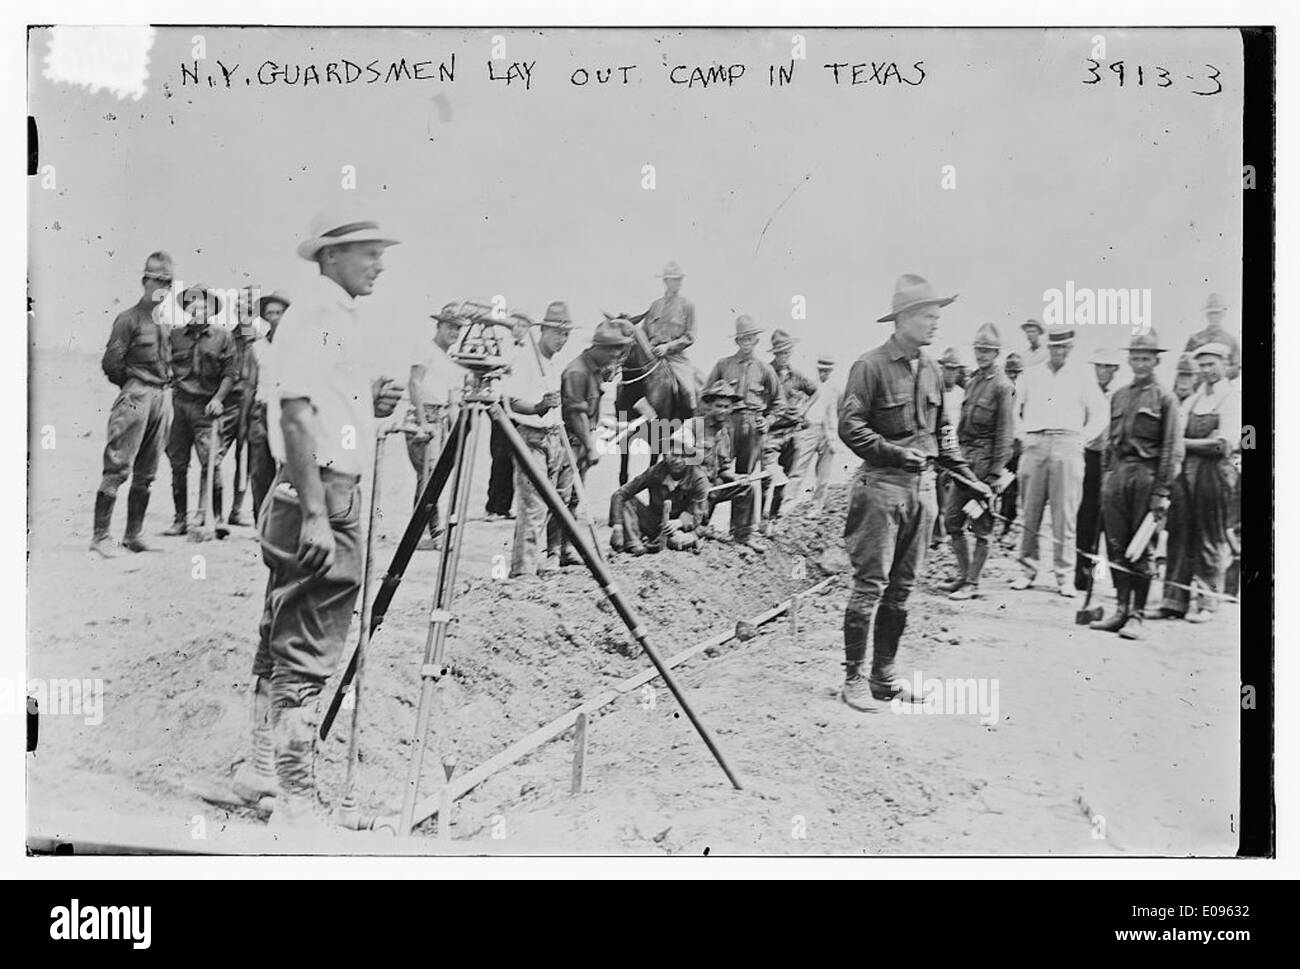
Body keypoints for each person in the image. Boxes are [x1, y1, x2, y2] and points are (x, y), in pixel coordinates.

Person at [238, 206, 403, 828]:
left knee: (281, 628)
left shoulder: (333, 317)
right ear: (330, 255)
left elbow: (327, 406)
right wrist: (314, 513)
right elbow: (295, 413)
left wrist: (375, 402)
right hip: (318, 496)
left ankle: (261, 770)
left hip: (318, 489)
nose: (379, 262)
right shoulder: (316, 314)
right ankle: (297, 801)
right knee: (307, 643)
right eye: (367, 251)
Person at [838, 274, 989, 711]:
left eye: (938, 316)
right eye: (928, 316)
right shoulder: (869, 366)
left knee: (902, 589)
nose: (935, 324)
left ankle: (884, 676)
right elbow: (851, 427)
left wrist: (967, 475)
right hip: (880, 490)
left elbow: (943, 434)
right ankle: (853, 679)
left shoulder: (934, 370)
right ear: (903, 319)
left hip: (922, 493)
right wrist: (894, 453)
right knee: (870, 586)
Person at [1088, 330, 1183, 640]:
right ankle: (1120, 610)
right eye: (1136, 358)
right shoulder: (1119, 396)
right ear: (1128, 360)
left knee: (1140, 549)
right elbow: (1108, 445)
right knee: (1115, 546)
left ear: (1156, 360)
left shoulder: (1166, 399)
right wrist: (1106, 481)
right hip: (1117, 477)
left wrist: (1161, 492)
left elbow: (1171, 449)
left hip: (1146, 477)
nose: (1140, 363)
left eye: (1146, 358)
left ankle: (1138, 615)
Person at [1011, 325, 1108, 596]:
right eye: (1054, 347)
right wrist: (1022, 435)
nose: (1059, 352)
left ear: (1071, 348)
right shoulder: (1030, 375)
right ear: (1048, 347)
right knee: (1029, 511)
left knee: (1064, 516)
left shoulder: (1082, 376)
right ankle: (1026, 570)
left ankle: (1063, 576)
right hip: (1035, 443)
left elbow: (1101, 413)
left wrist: (1082, 439)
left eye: (1064, 347)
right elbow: (1012, 409)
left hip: (1068, 444)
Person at [92, 251, 176, 557]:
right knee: (118, 466)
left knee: (148, 471)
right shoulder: (127, 319)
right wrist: (133, 387)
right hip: (137, 395)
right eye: (158, 280)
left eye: (168, 282)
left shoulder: (166, 322)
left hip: (160, 398)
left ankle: (133, 535)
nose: (163, 287)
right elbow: (111, 363)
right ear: (144, 281)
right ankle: (100, 536)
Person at [1157, 342, 1241, 622]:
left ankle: (1207, 603)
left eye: (1211, 364)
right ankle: (1173, 602)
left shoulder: (1233, 398)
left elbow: (1223, 445)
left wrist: (1185, 443)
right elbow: (1177, 432)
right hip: (1187, 473)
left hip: (1214, 474)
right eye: (1202, 365)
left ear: (1225, 364)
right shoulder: (1193, 399)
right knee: (1179, 534)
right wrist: (1191, 444)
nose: (1206, 370)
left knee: (1209, 536)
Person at [939, 324, 1015, 600]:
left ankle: (973, 583)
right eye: (979, 349)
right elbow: (960, 430)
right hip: (965, 462)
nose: (982, 354)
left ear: (996, 353)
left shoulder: (1003, 386)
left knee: (982, 527)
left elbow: (1005, 435)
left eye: (987, 351)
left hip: (984, 465)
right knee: (952, 521)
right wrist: (952, 463)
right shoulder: (972, 382)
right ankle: (963, 575)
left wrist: (994, 477)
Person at [505, 301, 575, 577]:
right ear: (543, 331)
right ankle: (523, 572)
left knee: (557, 501)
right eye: (558, 333)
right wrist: (537, 407)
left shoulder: (556, 362)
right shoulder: (524, 359)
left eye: (567, 334)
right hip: (531, 437)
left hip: (555, 437)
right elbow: (512, 402)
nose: (563, 339)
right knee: (533, 506)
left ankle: (544, 561)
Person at [703, 316, 785, 551]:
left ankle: (740, 533)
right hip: (727, 423)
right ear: (737, 340)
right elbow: (706, 394)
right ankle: (701, 523)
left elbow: (780, 402)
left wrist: (767, 421)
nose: (746, 342)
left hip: (752, 426)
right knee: (718, 471)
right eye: (742, 338)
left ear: (756, 340)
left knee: (746, 478)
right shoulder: (723, 364)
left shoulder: (765, 369)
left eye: (751, 338)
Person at [163, 283, 238, 534]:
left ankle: (216, 519)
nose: (198, 307)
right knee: (178, 463)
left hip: (207, 409)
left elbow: (230, 373)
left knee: (211, 463)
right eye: (193, 302)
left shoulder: (223, 337)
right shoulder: (174, 336)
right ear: (187, 307)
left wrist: (218, 399)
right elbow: (165, 367)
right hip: (180, 407)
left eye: (204, 303)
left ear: (211, 309)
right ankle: (180, 519)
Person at [404, 303, 468, 549]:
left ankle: (428, 533)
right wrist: (422, 423)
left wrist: (456, 433)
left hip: (440, 418)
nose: (454, 332)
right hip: (423, 416)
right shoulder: (425, 349)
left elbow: (452, 400)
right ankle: (427, 534)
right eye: (450, 327)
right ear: (439, 325)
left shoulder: (450, 360)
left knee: (433, 477)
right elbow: (415, 384)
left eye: (458, 329)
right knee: (428, 476)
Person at [1074, 346, 1122, 591]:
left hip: (1114, 461)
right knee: (1087, 518)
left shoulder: (1121, 394)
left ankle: (1116, 580)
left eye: (1107, 367)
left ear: (1115, 369)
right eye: (1099, 367)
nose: (1102, 372)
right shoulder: (1086, 391)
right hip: (1090, 458)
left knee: (1113, 522)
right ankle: (1085, 577)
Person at [609, 439, 709, 555]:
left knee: (676, 541)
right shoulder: (655, 472)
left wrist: (679, 523)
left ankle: (667, 544)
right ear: (665, 455)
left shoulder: (698, 479)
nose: (678, 461)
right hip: (655, 522)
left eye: (684, 456)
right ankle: (635, 545)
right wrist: (618, 527)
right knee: (628, 501)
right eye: (674, 455)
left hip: (680, 528)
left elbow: (696, 514)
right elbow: (620, 494)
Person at [763, 328, 819, 526]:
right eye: (780, 353)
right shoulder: (766, 372)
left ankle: (772, 518)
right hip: (771, 434)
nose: (784, 357)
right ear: (775, 354)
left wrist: (804, 409)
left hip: (792, 432)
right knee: (767, 476)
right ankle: (760, 519)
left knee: (785, 478)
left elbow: (815, 391)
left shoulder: (796, 375)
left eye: (787, 352)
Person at [246, 289, 290, 524]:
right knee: (261, 470)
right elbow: (249, 385)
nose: (274, 316)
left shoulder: (296, 346)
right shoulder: (257, 348)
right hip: (261, 412)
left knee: (287, 468)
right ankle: (260, 522)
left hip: (286, 412)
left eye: (279, 312)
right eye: (270, 313)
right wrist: (246, 420)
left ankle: (281, 523)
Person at [485, 315, 531, 520]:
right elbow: (493, 374)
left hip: (518, 407)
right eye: (518, 325)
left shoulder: (530, 352)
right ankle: (493, 507)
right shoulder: (501, 346)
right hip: (500, 405)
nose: (520, 329)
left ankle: (505, 506)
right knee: (499, 456)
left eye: (525, 326)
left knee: (514, 457)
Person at [782, 356, 842, 515]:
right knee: (798, 468)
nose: (823, 373)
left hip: (827, 432)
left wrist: (834, 438)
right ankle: (788, 503)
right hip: (809, 429)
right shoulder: (809, 385)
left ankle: (816, 506)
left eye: (826, 371)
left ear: (831, 371)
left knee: (823, 475)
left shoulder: (835, 389)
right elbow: (798, 406)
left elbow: (834, 413)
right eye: (821, 370)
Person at [224, 287, 261, 527]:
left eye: (248, 309)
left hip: (252, 406)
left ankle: (238, 510)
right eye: (239, 308)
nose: (243, 313)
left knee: (247, 459)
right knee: (213, 456)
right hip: (229, 405)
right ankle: (207, 512)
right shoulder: (227, 338)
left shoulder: (261, 342)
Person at [641, 260, 699, 411]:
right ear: (665, 281)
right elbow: (644, 331)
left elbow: (690, 336)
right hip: (652, 357)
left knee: (688, 392)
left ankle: (687, 421)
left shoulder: (687, 306)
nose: (678, 283)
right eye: (673, 279)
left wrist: (668, 347)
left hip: (676, 358)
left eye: (679, 279)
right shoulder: (655, 305)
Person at [932, 347, 966, 546]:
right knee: (937, 491)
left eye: (954, 369)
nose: (950, 373)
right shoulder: (935, 392)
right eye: (947, 368)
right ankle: (938, 534)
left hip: (955, 445)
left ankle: (950, 531)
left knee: (952, 490)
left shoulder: (962, 394)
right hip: (937, 446)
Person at [998, 352, 1025, 541]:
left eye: (1017, 372)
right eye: (1010, 372)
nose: (1013, 376)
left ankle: (1010, 523)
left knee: (1013, 489)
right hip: (1002, 445)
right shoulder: (1001, 390)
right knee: (1000, 484)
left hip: (1018, 447)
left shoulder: (1026, 392)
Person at [1185, 293, 1242, 384]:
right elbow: (1185, 364)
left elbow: (1236, 368)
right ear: (1207, 314)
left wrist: (1219, 373)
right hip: (1198, 386)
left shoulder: (1231, 341)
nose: (1214, 316)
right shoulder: (1195, 338)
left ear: (1223, 314)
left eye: (1217, 313)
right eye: (1211, 313)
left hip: (1221, 387)